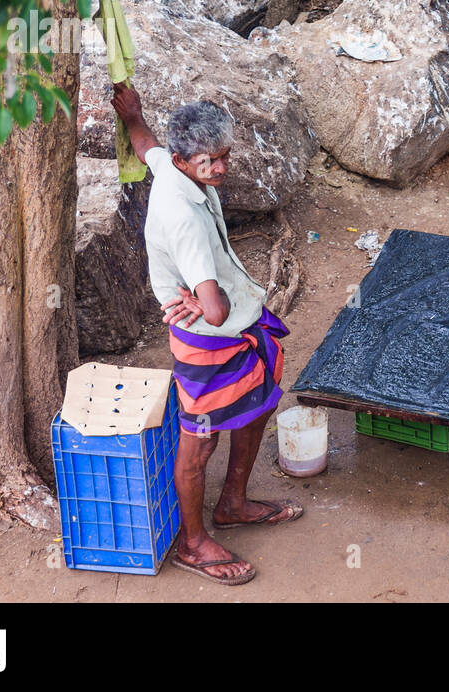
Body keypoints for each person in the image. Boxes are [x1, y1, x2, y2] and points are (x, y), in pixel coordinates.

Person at [112, 83, 303, 586]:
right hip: (208, 341)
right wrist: (199, 301)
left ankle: (234, 503)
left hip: (239, 324)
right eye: (209, 162)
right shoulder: (184, 219)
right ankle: (193, 544)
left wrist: (132, 111)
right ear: (183, 160)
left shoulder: (169, 167)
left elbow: (143, 143)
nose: (220, 168)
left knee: (257, 406)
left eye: (224, 156)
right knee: (198, 444)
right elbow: (214, 314)